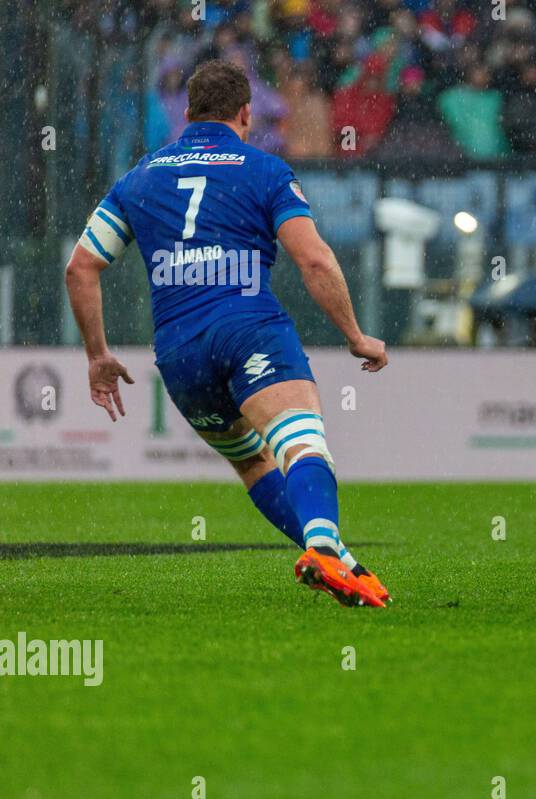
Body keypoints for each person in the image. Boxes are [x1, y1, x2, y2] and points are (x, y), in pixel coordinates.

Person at [64, 60, 391, 607]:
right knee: (300, 442)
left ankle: (342, 563)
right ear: (245, 114)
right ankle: (326, 552)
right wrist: (356, 335)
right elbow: (312, 260)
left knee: (252, 461)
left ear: (187, 114)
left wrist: (97, 355)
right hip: (248, 329)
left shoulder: (140, 177)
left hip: (179, 353)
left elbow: (81, 267)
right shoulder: (264, 170)